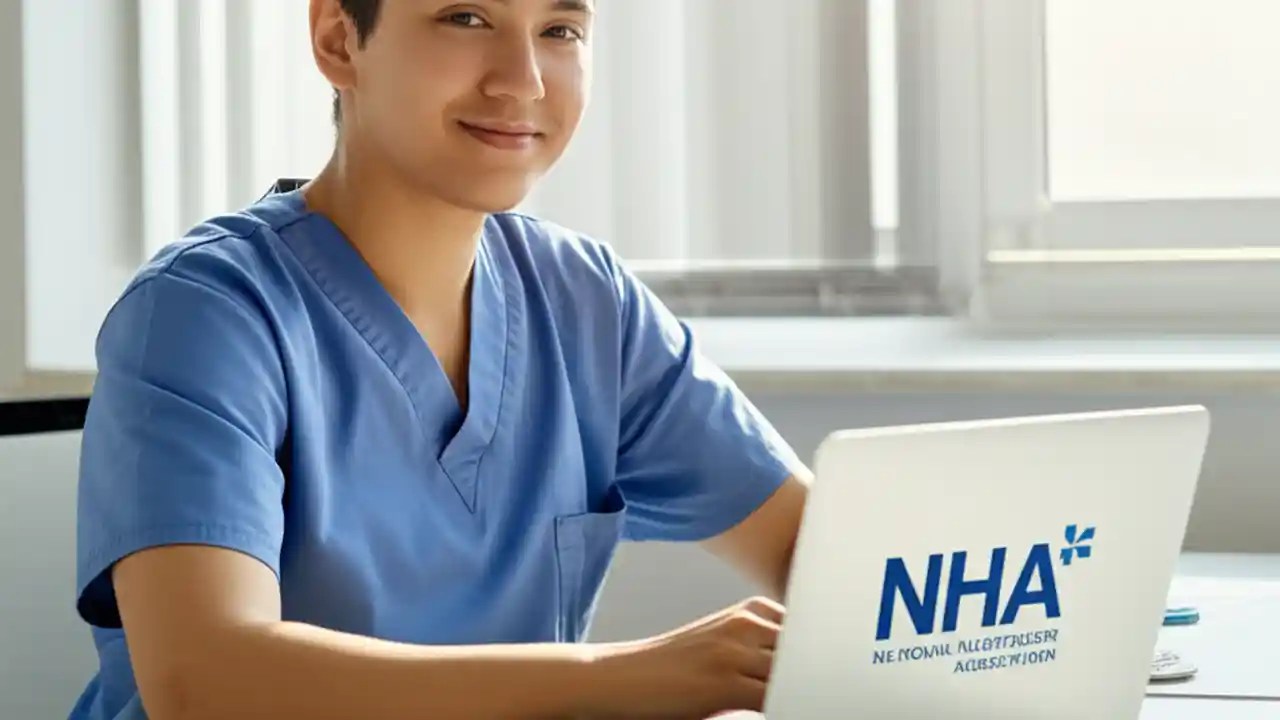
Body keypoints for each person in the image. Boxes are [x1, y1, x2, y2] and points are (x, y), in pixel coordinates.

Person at [71, 0, 811, 717]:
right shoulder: (204, 313)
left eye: (559, 29)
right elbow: (208, 683)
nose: (523, 80)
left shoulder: (589, 302)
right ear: (338, 39)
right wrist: (624, 677)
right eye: (466, 18)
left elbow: (832, 554)